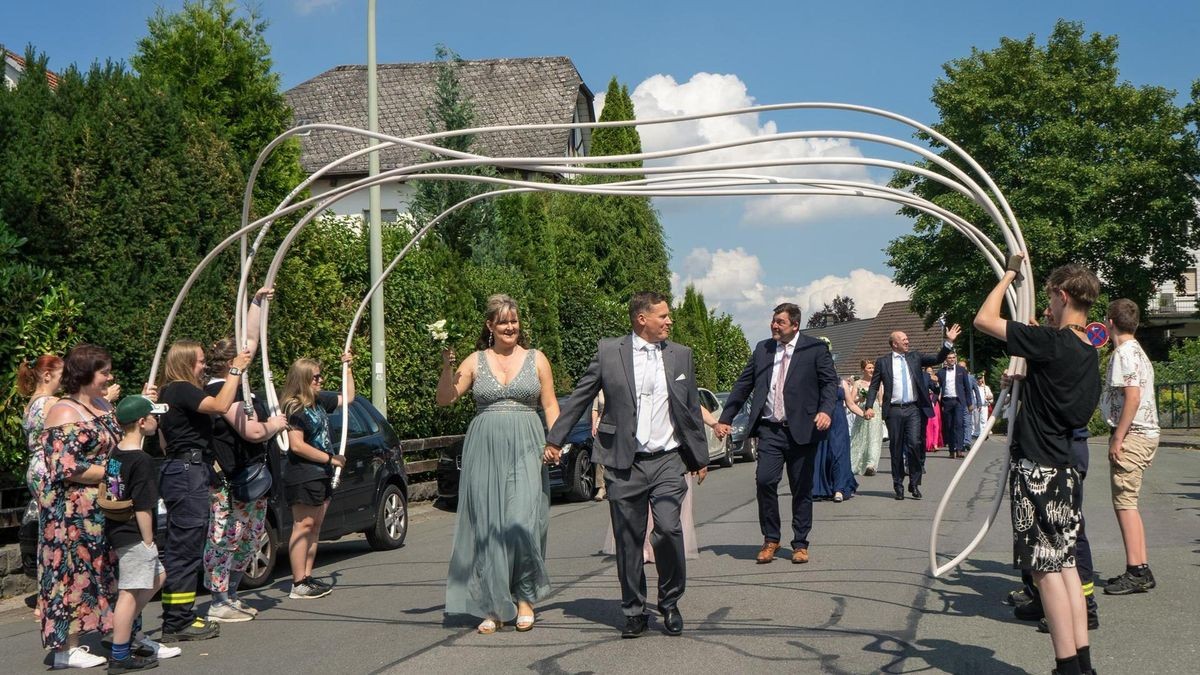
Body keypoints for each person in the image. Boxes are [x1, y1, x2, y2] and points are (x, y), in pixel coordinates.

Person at [547, 291, 709, 639]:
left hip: (667, 459)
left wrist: (699, 458)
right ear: (641, 319)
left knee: (668, 529)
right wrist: (555, 438)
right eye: (662, 316)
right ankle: (634, 610)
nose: (669, 321)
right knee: (628, 539)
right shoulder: (609, 352)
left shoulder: (681, 355)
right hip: (624, 462)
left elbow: (691, 408)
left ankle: (669, 602)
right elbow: (581, 395)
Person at [974, 256, 1101, 675]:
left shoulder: (1050, 342)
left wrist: (1008, 274)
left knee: (1046, 571)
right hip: (1064, 467)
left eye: (1050, 299)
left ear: (1063, 296)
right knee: (1065, 567)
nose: (1047, 308)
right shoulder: (1088, 351)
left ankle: (1067, 667)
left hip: (1038, 469)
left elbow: (984, 319)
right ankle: (1081, 662)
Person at [440, 294, 558, 634]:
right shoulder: (475, 361)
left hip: (527, 444)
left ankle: (524, 598)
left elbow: (550, 405)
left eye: (514, 321)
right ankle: (493, 604)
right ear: (490, 325)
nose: (511, 327)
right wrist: (448, 368)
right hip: (485, 447)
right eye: (504, 321)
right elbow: (446, 399)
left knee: (522, 521)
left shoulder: (537, 359)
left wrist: (554, 441)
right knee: (488, 527)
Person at [714, 303, 837, 565]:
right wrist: (725, 418)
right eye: (773, 321)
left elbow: (829, 383)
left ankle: (800, 543)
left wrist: (826, 410)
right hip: (770, 430)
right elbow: (743, 384)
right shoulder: (763, 349)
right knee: (765, 481)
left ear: (795, 325)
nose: (774, 325)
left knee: (801, 488)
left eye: (780, 322)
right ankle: (771, 539)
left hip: (803, 431)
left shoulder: (815, 349)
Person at [203, 288, 289, 622]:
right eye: (241, 359)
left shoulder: (238, 383)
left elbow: (252, 339)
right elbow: (250, 431)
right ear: (229, 363)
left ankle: (233, 593)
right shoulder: (219, 389)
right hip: (230, 479)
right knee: (227, 536)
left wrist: (256, 303)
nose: (249, 360)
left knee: (251, 535)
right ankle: (218, 598)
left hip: (253, 476)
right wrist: (275, 424)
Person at [157, 340, 251, 642]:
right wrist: (235, 369)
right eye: (199, 361)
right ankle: (177, 622)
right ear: (185, 363)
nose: (204, 366)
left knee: (184, 547)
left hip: (183, 469)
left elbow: (161, 440)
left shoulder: (170, 392)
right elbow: (221, 405)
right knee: (185, 548)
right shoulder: (182, 388)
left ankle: (178, 615)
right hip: (187, 472)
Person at [36, 344, 120, 669]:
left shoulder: (101, 404)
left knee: (101, 569)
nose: (109, 377)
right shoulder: (63, 411)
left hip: (102, 504)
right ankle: (65, 649)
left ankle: (113, 631)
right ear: (85, 374)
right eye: (104, 372)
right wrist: (115, 472)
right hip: (71, 510)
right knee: (69, 574)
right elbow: (65, 465)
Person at [106, 394, 181, 672]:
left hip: (117, 528)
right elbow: (144, 505)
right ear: (141, 422)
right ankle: (120, 654)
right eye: (152, 417)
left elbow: (114, 492)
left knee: (157, 576)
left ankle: (121, 631)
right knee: (129, 592)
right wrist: (149, 541)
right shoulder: (142, 460)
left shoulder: (116, 453)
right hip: (134, 533)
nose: (156, 421)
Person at [281, 351, 354, 600]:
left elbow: (349, 398)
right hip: (303, 474)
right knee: (303, 525)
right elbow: (297, 445)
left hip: (322, 474)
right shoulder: (295, 408)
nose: (320, 381)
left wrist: (348, 368)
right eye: (315, 377)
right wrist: (330, 459)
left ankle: (308, 576)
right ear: (303, 379)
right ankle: (298, 581)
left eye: (321, 376)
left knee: (316, 526)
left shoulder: (320, 401)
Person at [1100, 298, 1161, 596]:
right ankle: (1140, 567)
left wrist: (1118, 436)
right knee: (1129, 502)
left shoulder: (1123, 353)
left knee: (1125, 502)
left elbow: (1132, 397)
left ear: (1110, 322)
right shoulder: (1137, 351)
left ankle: (1136, 569)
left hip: (1134, 433)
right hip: (1144, 432)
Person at [865, 325, 960, 500]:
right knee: (896, 448)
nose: (908, 342)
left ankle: (914, 483)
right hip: (893, 410)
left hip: (913, 409)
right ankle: (898, 485)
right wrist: (869, 406)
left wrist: (948, 342)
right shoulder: (883, 362)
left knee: (915, 444)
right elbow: (874, 386)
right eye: (904, 340)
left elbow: (937, 358)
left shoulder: (915, 357)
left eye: (907, 339)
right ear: (894, 344)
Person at [19, 354, 64, 501]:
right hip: (48, 468)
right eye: (62, 375)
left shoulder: (31, 403)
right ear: (47, 376)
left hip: (35, 468)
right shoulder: (51, 402)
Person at [812, 375, 862, 502]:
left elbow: (850, 404)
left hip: (839, 422)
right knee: (823, 454)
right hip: (821, 421)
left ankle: (839, 489)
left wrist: (864, 414)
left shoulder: (842, 383)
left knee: (838, 453)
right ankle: (822, 487)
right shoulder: (814, 382)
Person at [849, 360, 883, 476]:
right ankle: (857, 463)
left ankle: (871, 465)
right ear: (863, 370)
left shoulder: (878, 383)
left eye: (873, 368)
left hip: (875, 411)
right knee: (860, 437)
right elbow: (851, 400)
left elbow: (881, 400)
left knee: (873, 438)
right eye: (869, 368)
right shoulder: (858, 383)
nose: (872, 370)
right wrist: (860, 399)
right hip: (862, 411)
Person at [936, 353, 973, 459]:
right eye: (949, 358)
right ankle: (952, 450)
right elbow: (936, 387)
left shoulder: (962, 370)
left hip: (958, 401)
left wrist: (969, 403)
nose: (951, 359)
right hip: (947, 401)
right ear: (946, 360)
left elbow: (967, 388)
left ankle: (960, 449)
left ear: (956, 359)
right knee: (949, 426)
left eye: (953, 358)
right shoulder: (941, 372)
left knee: (959, 424)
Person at [591, 392, 607, 501]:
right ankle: (601, 487)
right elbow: (595, 409)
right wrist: (594, 426)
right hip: (601, 425)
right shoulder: (599, 390)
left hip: (618, 424)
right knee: (600, 458)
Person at [923, 368, 943, 453]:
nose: (929, 374)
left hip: (934, 403)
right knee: (928, 425)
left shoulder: (935, 381)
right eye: (928, 372)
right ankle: (928, 444)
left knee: (935, 424)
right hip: (925, 402)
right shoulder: (923, 379)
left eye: (931, 372)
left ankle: (935, 443)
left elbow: (937, 391)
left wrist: (936, 383)